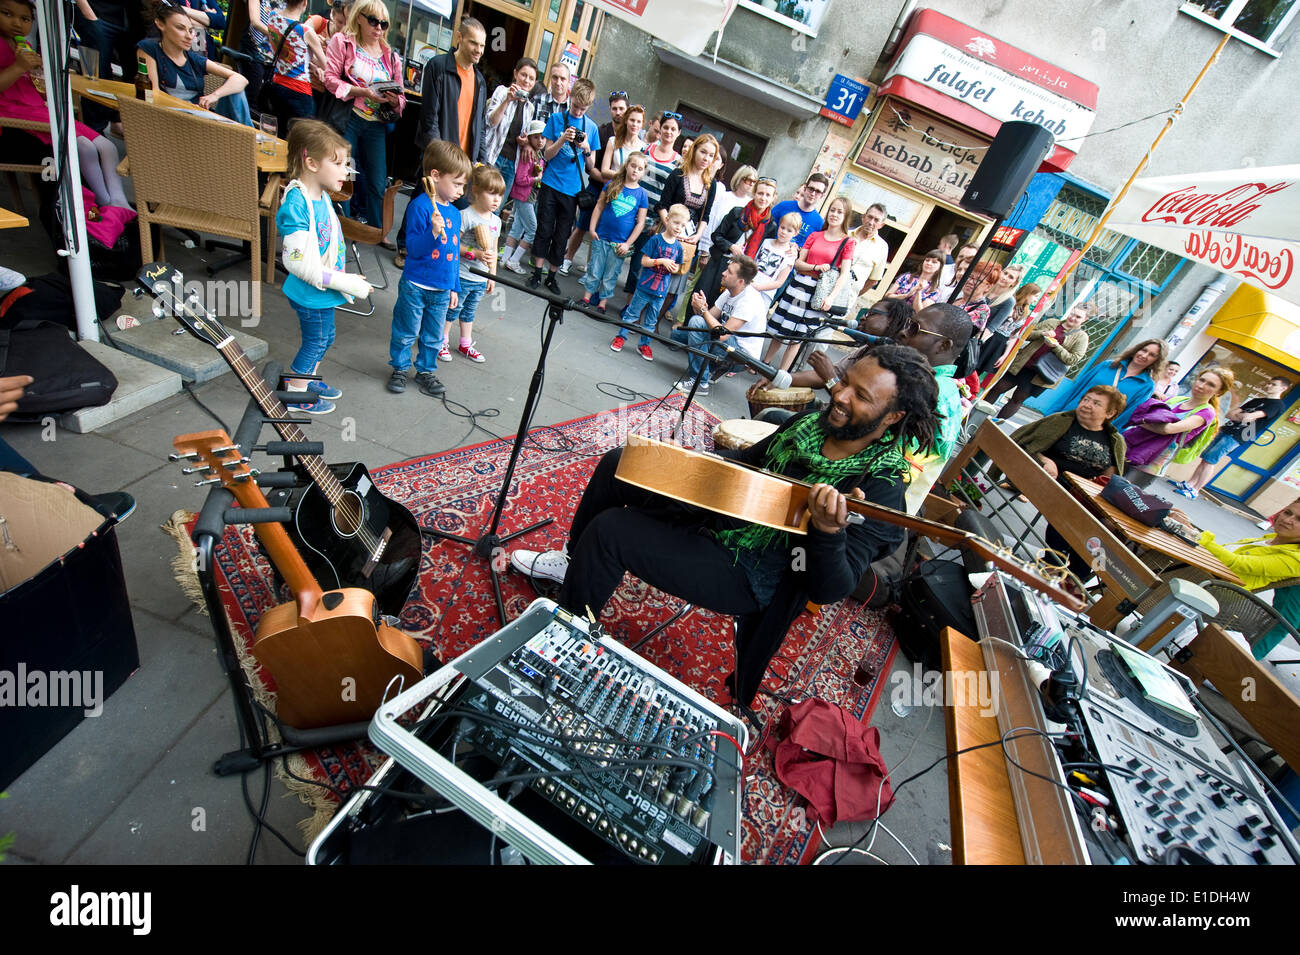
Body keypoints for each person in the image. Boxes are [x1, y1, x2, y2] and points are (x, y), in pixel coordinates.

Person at [508, 343, 941, 706]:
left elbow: (830, 588)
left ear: (892, 417)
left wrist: (828, 532)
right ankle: (573, 565)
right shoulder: (808, 422)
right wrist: (686, 465)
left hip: (750, 570)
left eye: (861, 395)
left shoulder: (879, 487)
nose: (841, 395)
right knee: (622, 464)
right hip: (721, 515)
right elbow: (745, 468)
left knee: (609, 532)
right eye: (844, 381)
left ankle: (563, 641)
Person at [792, 302, 972, 510]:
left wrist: (833, 382)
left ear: (944, 346)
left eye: (915, 329)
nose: (903, 332)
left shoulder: (933, 394)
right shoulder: (923, 378)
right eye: (908, 324)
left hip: (868, 499)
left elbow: (874, 451)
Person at [275, 120, 373, 415]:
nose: (347, 170)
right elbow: (296, 261)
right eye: (339, 163)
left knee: (325, 337)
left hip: (322, 291)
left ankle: (309, 379)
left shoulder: (320, 196)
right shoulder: (297, 202)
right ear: (311, 162)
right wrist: (346, 282)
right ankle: (296, 392)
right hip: (310, 292)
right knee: (317, 340)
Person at [1, 0, 130, 209]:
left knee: (107, 147)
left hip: (38, 109)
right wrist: (19, 67)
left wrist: (37, 74)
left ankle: (119, 203)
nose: (16, 23)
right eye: (7, 14)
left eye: (24, 19)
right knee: (85, 147)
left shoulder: (24, 46)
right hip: (16, 115)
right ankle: (103, 202)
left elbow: (33, 87)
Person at [1008, 386, 1128, 586]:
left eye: (1096, 403)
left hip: (1086, 496)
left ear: (1110, 413)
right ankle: (1054, 565)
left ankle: (1074, 577)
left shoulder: (1115, 440)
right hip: (1052, 484)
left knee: (1103, 527)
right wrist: (1044, 460)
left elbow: (1112, 475)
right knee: (1073, 515)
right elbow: (1026, 444)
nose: (1086, 405)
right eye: (1085, 399)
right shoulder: (1061, 422)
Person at [397, 16, 485, 262]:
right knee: (422, 198)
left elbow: (481, 123)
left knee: (450, 205)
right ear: (459, 38)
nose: (478, 50)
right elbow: (429, 116)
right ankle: (405, 246)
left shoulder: (479, 79)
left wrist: (481, 158)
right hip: (439, 152)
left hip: (465, 156)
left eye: (482, 45)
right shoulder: (438, 66)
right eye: (473, 43)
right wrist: (438, 153)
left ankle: (434, 249)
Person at [386, 140, 471, 398]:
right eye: (456, 183)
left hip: (442, 288)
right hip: (415, 284)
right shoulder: (420, 207)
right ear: (435, 176)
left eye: (463, 185)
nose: (460, 190)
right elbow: (413, 248)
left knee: (433, 335)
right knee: (406, 330)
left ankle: (425, 370)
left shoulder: (455, 214)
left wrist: (454, 285)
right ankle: (400, 368)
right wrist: (433, 232)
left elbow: (453, 254)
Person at [323, 0, 404, 230]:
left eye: (384, 24)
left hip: (376, 123)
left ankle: (377, 230)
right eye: (373, 21)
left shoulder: (391, 56)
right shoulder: (343, 41)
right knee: (343, 173)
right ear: (359, 17)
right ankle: (341, 226)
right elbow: (330, 79)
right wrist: (361, 91)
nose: (379, 28)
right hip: (348, 117)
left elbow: (401, 98)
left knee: (378, 181)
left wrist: (392, 99)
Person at [765, 195, 857, 373]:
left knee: (799, 335)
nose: (834, 214)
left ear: (846, 216)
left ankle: (781, 373)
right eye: (832, 210)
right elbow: (799, 263)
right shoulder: (815, 235)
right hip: (799, 285)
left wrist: (831, 297)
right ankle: (765, 363)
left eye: (840, 212)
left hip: (818, 292)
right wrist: (815, 266)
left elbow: (844, 273)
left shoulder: (848, 242)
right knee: (781, 326)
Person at [1197, 499, 1300, 658]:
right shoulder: (1272, 538)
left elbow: (1237, 563)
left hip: (1212, 584)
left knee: (1284, 619)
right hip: (1207, 572)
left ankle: (1243, 662)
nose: (1287, 520)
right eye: (1287, 512)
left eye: (1298, 519)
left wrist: (1196, 535)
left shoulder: (1294, 558)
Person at [527, 77, 600, 294]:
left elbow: (591, 165)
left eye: (583, 108)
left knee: (561, 234)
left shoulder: (591, 128)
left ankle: (552, 275)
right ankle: (537, 273)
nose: (578, 111)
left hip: (572, 189)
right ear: (570, 99)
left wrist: (585, 146)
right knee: (544, 229)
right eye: (576, 106)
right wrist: (561, 140)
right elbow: (547, 154)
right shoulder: (557, 119)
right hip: (551, 184)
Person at [1178, 376, 1291, 498]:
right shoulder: (1257, 400)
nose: (1269, 386)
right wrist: (1244, 416)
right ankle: (1190, 484)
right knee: (1205, 458)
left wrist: (1243, 415)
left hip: (1237, 436)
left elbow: (1249, 417)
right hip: (1226, 429)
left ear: (1283, 388)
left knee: (1211, 461)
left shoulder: (1277, 405)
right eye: (1269, 383)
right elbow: (1230, 414)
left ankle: (1196, 489)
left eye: (1274, 384)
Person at [138, 1, 252, 120]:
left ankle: (249, 135)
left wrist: (213, 96)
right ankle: (251, 136)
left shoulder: (193, 58)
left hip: (199, 119)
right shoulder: (149, 49)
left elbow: (241, 79)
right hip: (170, 118)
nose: (189, 36)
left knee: (234, 90)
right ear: (160, 24)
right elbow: (153, 94)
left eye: (191, 30)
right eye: (180, 28)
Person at [671, 255, 767, 395]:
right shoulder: (730, 290)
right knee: (676, 335)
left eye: (729, 272)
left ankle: (700, 382)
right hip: (726, 343)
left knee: (696, 323)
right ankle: (713, 367)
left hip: (741, 356)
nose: (723, 273)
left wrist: (702, 311)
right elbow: (709, 318)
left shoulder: (749, 300)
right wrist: (699, 307)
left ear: (740, 281)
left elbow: (722, 334)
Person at [559, 90, 631, 275]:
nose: (618, 112)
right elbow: (592, 167)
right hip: (597, 185)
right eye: (614, 108)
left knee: (600, 232)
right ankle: (568, 259)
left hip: (616, 192)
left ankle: (590, 267)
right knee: (582, 225)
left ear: (627, 109)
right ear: (610, 109)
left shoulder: (629, 135)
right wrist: (610, 179)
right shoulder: (602, 131)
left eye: (621, 108)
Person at [440, 163, 504, 364]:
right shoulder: (465, 215)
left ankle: (465, 343)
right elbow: (452, 244)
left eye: (499, 195)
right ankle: (441, 341)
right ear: (476, 191)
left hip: (480, 277)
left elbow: (493, 248)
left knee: (470, 310)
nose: (496, 200)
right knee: (453, 309)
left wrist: (492, 275)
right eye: (491, 193)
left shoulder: (496, 221)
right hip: (462, 274)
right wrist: (473, 252)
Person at [653, 134, 720, 319]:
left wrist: (697, 236)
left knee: (674, 285)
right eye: (703, 152)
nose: (706, 158)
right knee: (655, 277)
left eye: (711, 155)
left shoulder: (710, 184)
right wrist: (671, 227)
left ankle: (655, 322)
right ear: (694, 151)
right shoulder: (678, 174)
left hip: (688, 242)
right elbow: (662, 205)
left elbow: (704, 216)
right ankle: (638, 317)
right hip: (668, 233)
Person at [988, 304, 1092, 420]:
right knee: (998, 388)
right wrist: (1042, 333)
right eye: (1073, 314)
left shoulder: (1081, 337)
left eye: (1078, 317)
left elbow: (1073, 359)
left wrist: (1056, 346)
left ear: (1085, 319)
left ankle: (995, 423)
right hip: (1023, 364)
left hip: (1041, 373)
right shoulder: (1052, 322)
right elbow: (1026, 335)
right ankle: (977, 415)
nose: (1073, 318)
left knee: (1018, 398)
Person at [1122, 366, 1234, 473]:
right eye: (1201, 380)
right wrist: (1141, 419)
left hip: (1151, 461)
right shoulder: (1178, 399)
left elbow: (1168, 429)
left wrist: (1139, 420)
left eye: (1211, 385)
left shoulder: (1207, 412)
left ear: (1219, 392)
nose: (1201, 385)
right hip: (1132, 445)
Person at [612, 203, 688, 360]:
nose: (678, 227)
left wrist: (673, 268)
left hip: (661, 290)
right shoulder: (655, 240)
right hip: (645, 286)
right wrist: (661, 261)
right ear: (667, 220)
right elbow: (644, 261)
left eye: (682, 225)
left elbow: (677, 267)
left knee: (651, 320)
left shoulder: (679, 247)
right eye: (675, 223)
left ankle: (644, 344)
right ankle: (621, 336)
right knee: (632, 313)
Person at [692, 173, 774, 309]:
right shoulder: (737, 213)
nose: (763, 198)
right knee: (702, 297)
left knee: (722, 306)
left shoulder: (770, 226)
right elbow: (716, 235)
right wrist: (731, 246)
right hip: (720, 262)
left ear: (772, 198)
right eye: (760, 193)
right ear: (754, 193)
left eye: (767, 195)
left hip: (741, 271)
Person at [621, 110, 680, 294]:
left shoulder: (679, 162)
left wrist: (661, 222)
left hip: (652, 219)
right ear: (659, 129)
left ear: (678, 133)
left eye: (673, 129)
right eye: (665, 128)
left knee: (639, 260)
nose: (668, 132)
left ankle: (630, 299)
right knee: (618, 250)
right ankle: (603, 292)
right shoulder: (645, 150)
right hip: (631, 209)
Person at [581, 152, 648, 312]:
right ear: (627, 166)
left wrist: (628, 243)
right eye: (633, 166)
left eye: (640, 168)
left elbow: (640, 223)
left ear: (643, 172)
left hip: (619, 244)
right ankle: (586, 297)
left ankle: (602, 304)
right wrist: (592, 227)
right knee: (594, 268)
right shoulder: (613, 184)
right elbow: (599, 206)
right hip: (602, 236)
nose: (635, 170)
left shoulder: (641, 194)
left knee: (611, 273)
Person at [1066, 339, 1166, 431]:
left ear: (1156, 361)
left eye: (1152, 355)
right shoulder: (1107, 365)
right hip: (1068, 415)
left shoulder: (1146, 386)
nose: (1144, 355)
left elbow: (1126, 416)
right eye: (1144, 350)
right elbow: (1075, 389)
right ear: (1137, 350)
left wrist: (1103, 435)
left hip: (1091, 429)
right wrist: (1053, 411)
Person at [483, 56, 538, 204]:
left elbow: (525, 136)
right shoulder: (502, 92)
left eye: (531, 78)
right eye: (523, 75)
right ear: (515, 74)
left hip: (511, 163)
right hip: (493, 156)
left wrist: (525, 141)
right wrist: (507, 100)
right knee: (481, 202)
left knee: (497, 207)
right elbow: (490, 122)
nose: (526, 81)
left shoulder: (530, 107)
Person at [264, 0, 327, 128]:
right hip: (299, 90)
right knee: (301, 138)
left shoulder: (273, 17)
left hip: (277, 84)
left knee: (279, 132)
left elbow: (288, 51)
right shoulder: (306, 31)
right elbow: (326, 65)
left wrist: (311, 65)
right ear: (304, 3)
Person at [500, 119, 546, 274]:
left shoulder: (538, 154)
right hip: (524, 197)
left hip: (529, 197)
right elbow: (520, 179)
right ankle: (513, 260)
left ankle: (505, 259)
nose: (540, 141)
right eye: (536, 137)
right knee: (532, 229)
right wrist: (536, 179)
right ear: (530, 138)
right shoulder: (529, 154)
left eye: (543, 137)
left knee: (517, 228)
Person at [976, 272, 1036, 379]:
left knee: (977, 373)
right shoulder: (1007, 300)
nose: (1035, 299)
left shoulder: (1024, 311)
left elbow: (1013, 335)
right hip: (989, 336)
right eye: (1035, 295)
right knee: (971, 364)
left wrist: (1005, 355)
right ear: (1028, 293)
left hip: (1000, 343)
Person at [750, 208, 799, 309]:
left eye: (789, 230)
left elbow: (779, 282)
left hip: (764, 295)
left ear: (795, 233)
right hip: (749, 285)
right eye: (782, 227)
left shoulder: (790, 255)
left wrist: (759, 287)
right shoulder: (766, 242)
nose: (784, 232)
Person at [769, 174, 828, 247]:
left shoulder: (819, 224)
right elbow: (765, 226)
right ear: (805, 188)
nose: (813, 194)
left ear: (823, 196)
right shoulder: (783, 206)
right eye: (811, 189)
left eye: (818, 191)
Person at [847, 203, 890, 300]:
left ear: (881, 225)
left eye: (876, 220)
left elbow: (873, 280)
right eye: (869, 217)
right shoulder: (846, 234)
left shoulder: (882, 247)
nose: (871, 222)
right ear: (863, 217)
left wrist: (854, 293)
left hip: (846, 300)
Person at [530, 60, 570, 126]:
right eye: (555, 77)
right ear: (550, 79)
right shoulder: (537, 100)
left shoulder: (572, 108)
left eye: (562, 79)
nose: (558, 82)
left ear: (568, 82)